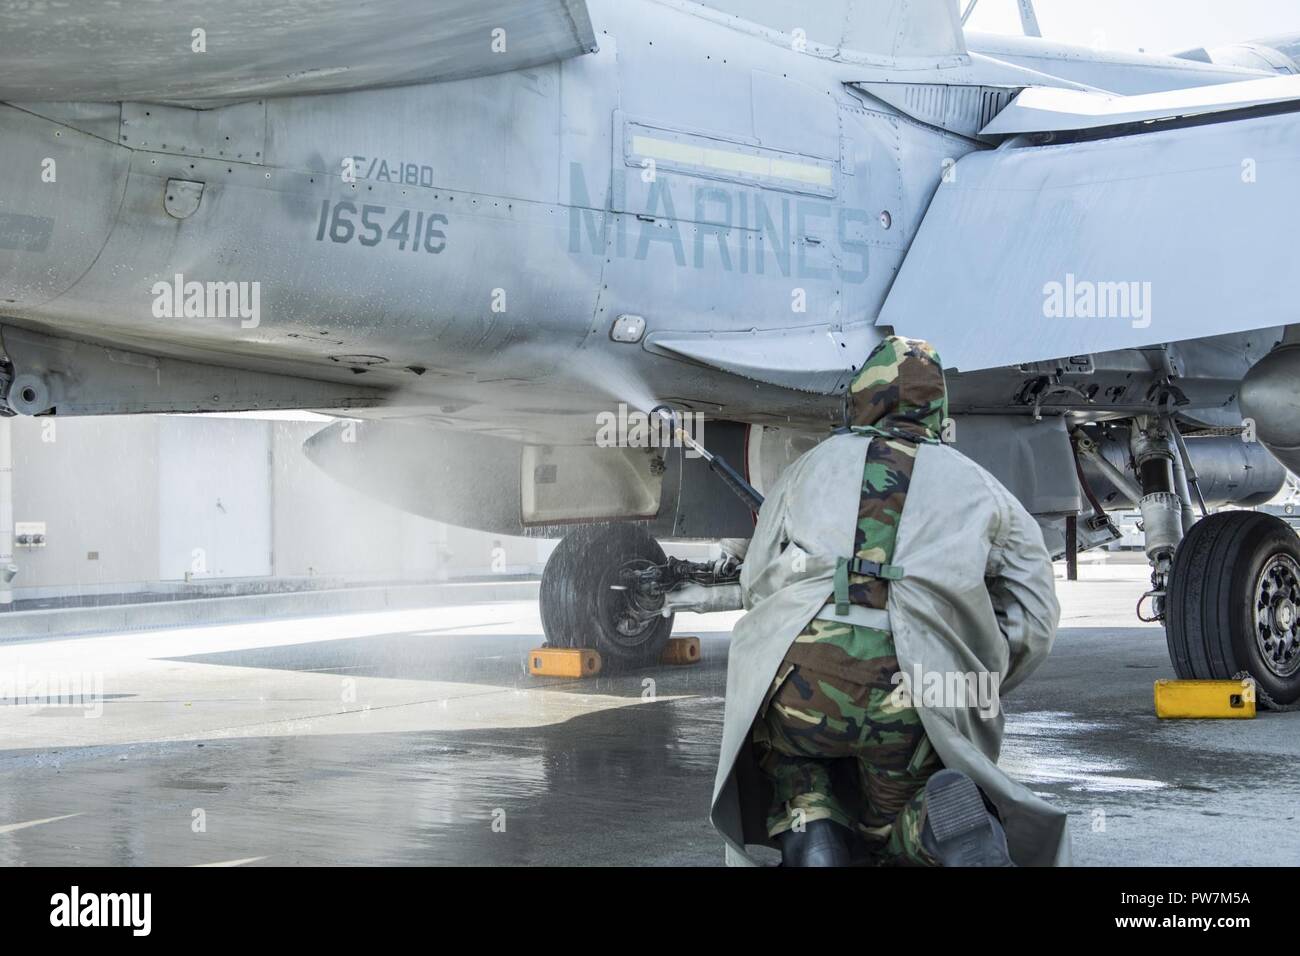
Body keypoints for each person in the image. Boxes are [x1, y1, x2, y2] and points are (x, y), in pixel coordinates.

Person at [709, 336, 1069, 866]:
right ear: (938, 407)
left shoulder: (810, 466)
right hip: (915, 689)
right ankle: (930, 831)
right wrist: (972, 672)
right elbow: (1035, 617)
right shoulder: (983, 488)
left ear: (860, 399)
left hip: (803, 685)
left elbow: (757, 583)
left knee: (785, 755)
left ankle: (814, 832)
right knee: (891, 816)